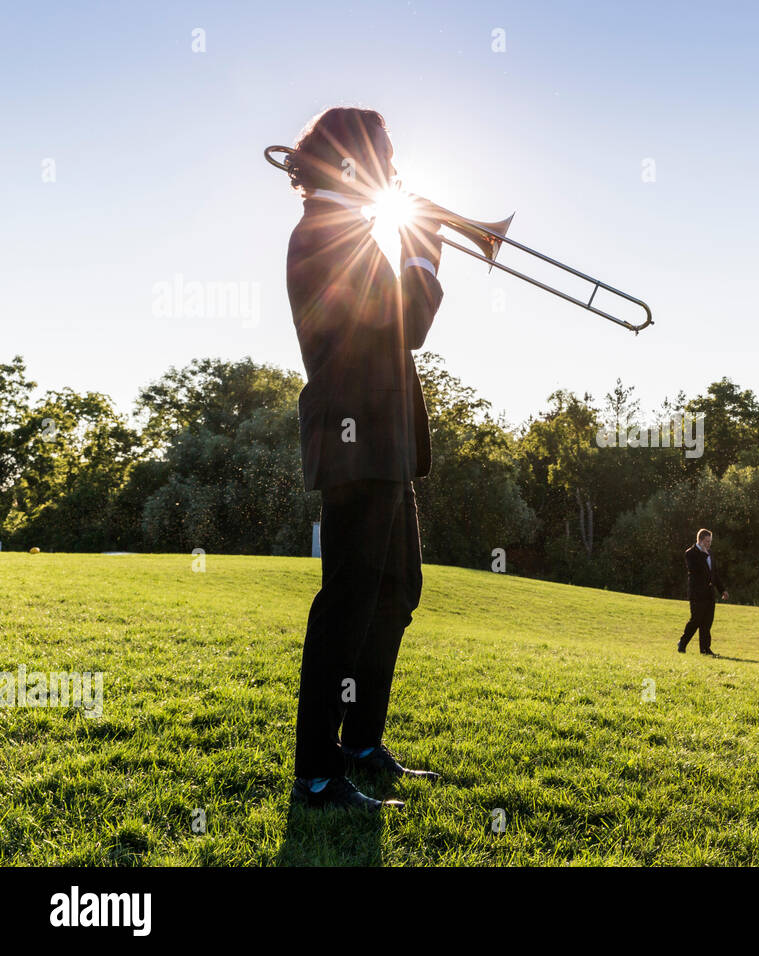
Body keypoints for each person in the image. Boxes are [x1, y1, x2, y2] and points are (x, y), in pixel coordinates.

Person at [281, 107, 445, 811]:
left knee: (394, 593)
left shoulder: (348, 229)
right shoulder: (325, 233)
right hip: (356, 441)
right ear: (352, 161)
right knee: (346, 604)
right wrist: (424, 243)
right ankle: (318, 772)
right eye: (383, 155)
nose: (392, 169)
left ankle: (360, 742)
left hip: (385, 443)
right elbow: (405, 319)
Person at [677, 528, 729, 656]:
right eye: (706, 541)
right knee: (696, 620)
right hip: (697, 594)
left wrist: (722, 590)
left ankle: (705, 649)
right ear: (699, 540)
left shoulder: (710, 553)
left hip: (709, 594)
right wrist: (705, 554)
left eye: (710, 541)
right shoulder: (690, 553)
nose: (709, 544)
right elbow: (697, 571)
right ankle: (682, 643)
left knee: (707, 623)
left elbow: (714, 574)